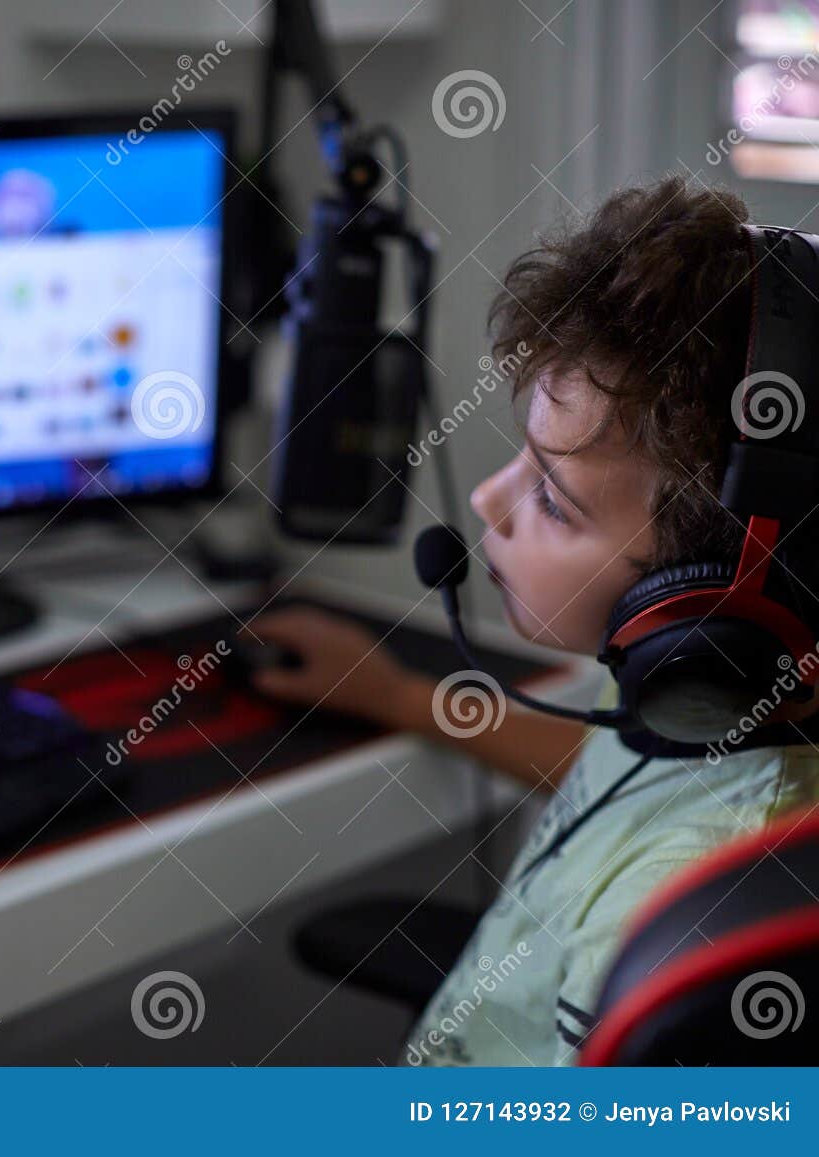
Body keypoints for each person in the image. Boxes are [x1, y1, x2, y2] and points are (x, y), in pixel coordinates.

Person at [250, 176, 819, 1065]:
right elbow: (610, 769)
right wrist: (401, 695)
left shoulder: (685, 910)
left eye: (553, 499)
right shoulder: (689, 700)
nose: (486, 496)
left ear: (706, 599)